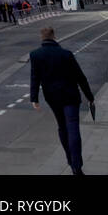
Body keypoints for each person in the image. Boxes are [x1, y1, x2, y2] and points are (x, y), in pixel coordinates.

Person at [29, 27, 95, 175]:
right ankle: (77, 166)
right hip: (70, 96)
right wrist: (89, 96)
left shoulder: (35, 55)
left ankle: (70, 160)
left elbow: (35, 77)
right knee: (73, 128)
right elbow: (80, 77)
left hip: (52, 97)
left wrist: (34, 98)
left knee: (62, 127)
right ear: (54, 36)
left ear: (42, 38)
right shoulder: (66, 54)